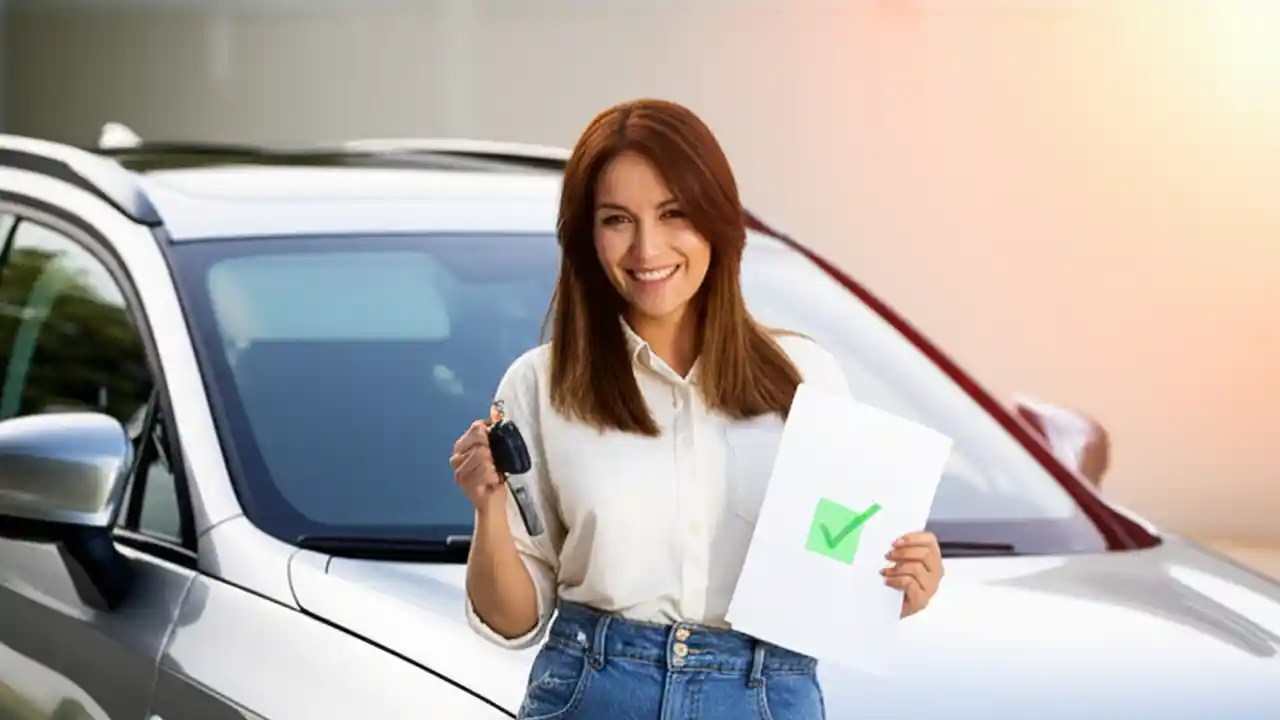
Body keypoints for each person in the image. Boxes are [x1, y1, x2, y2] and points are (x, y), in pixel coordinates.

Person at [450, 98, 944, 720]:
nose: (647, 248)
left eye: (673, 213)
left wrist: (899, 585)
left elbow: (839, 574)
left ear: (716, 220)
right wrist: (489, 509)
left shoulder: (805, 379)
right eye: (616, 220)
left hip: (765, 693)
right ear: (587, 236)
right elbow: (512, 622)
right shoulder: (540, 385)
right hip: (593, 693)